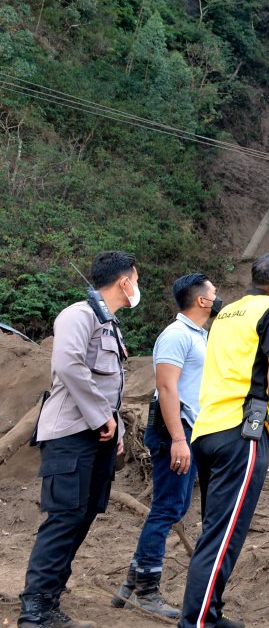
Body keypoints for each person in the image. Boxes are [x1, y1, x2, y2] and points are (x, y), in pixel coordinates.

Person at [19, 251, 139, 628]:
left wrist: (114, 424)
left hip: (98, 436)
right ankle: (35, 610)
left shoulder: (110, 324)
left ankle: (52, 596)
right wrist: (102, 416)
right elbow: (68, 365)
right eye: (136, 277)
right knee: (64, 517)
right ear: (124, 281)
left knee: (85, 514)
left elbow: (109, 386)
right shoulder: (78, 315)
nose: (138, 285)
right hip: (70, 434)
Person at [178, 253, 269, 628]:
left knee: (217, 530)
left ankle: (210, 612)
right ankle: (197, 622)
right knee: (222, 536)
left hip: (206, 431)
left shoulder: (227, 314)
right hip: (241, 434)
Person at [112, 273, 222, 619]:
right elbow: (166, 388)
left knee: (172, 506)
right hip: (174, 430)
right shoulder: (176, 335)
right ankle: (146, 589)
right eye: (214, 293)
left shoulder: (198, 335)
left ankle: (131, 583)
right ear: (201, 301)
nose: (218, 297)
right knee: (167, 508)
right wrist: (178, 439)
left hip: (186, 429)